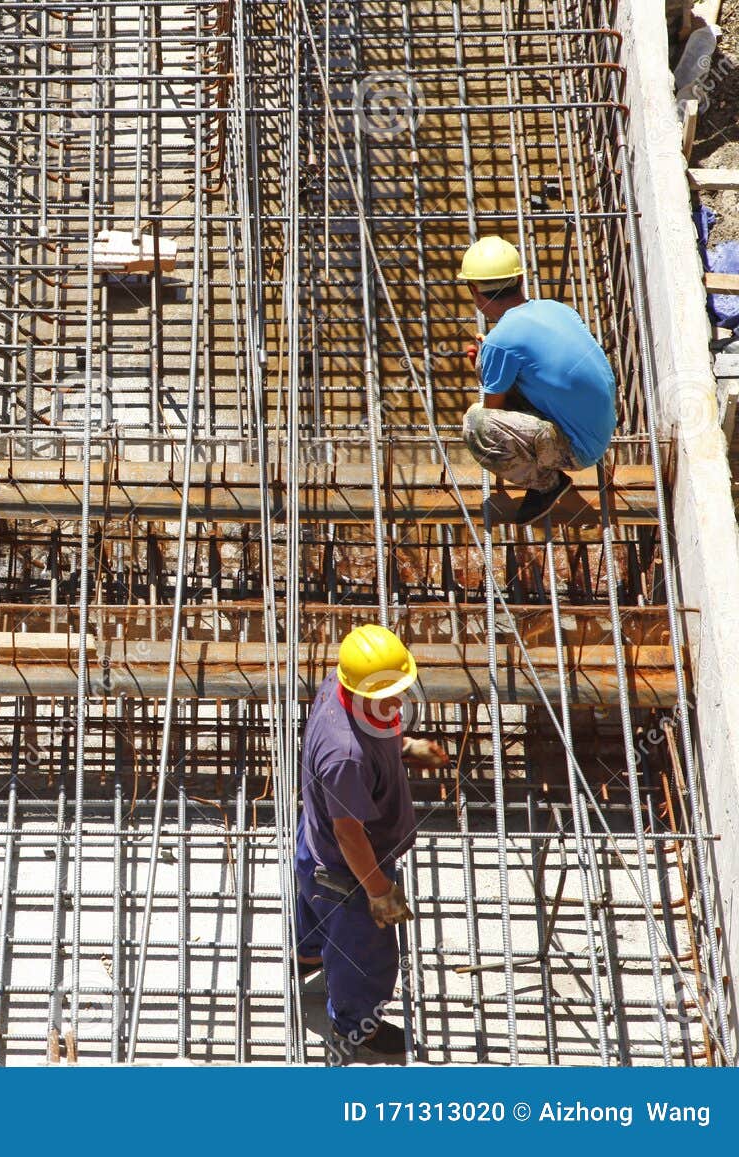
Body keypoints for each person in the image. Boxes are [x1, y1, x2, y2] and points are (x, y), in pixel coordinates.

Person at [295, 624, 448, 1063]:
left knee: (314, 908)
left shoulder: (339, 685)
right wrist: (378, 890)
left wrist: (405, 746)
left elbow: (367, 735)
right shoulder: (346, 756)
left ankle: (307, 957)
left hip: (316, 844)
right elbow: (350, 834)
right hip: (347, 870)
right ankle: (355, 1026)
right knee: (366, 957)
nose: (399, 700)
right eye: (389, 692)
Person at [458, 236, 618, 525]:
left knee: (476, 424)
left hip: (578, 449)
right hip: (600, 427)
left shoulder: (500, 341)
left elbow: (494, 412)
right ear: (520, 279)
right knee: (495, 372)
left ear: (474, 290)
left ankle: (548, 484)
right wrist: (489, 360)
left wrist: (488, 362)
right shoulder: (556, 309)